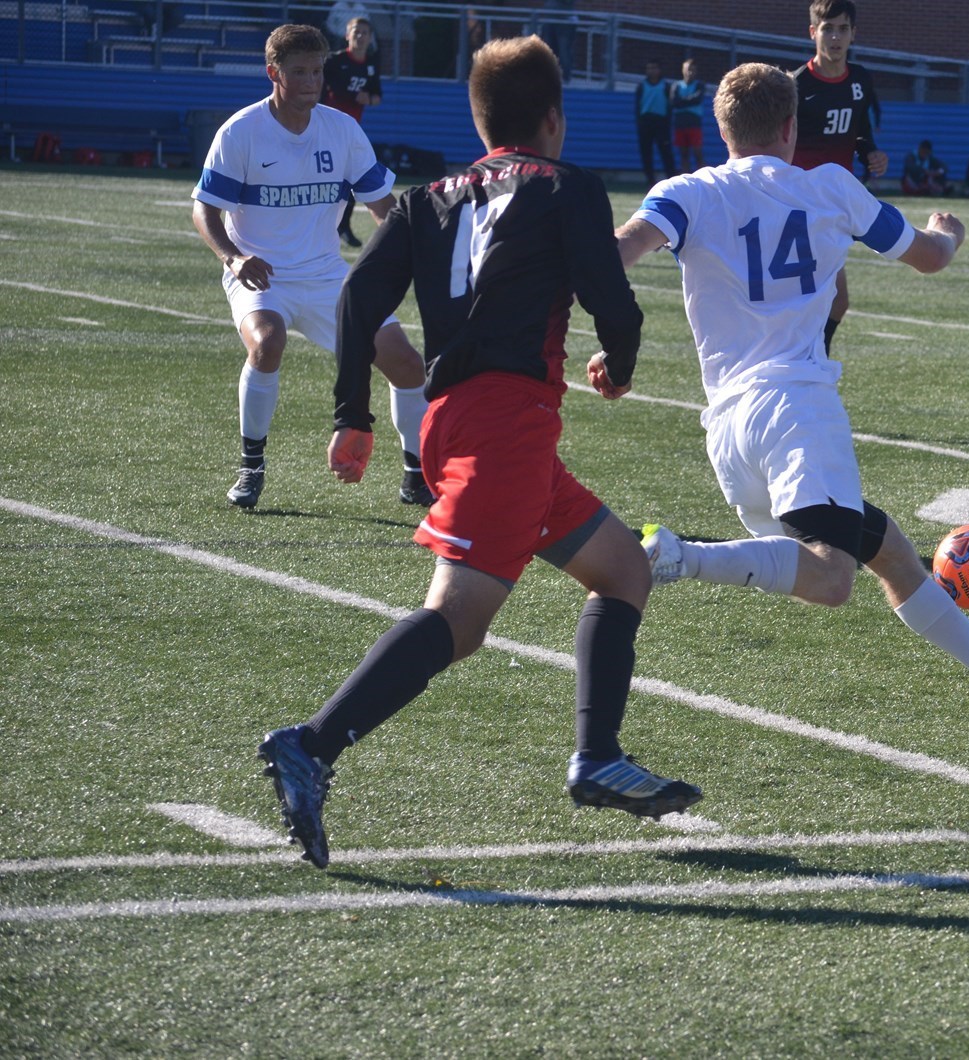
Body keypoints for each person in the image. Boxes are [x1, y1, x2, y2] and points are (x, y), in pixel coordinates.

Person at [257, 33, 700, 870]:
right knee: (458, 622)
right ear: (554, 119)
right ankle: (311, 746)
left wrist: (354, 413)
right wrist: (621, 360)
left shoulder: (430, 198)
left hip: (459, 415)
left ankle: (596, 755)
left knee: (623, 570)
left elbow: (358, 297)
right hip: (507, 426)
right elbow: (614, 298)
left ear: (479, 116)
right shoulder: (565, 186)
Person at [613, 63, 969, 729]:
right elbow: (930, 255)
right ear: (792, 127)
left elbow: (620, 249)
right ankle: (679, 556)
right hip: (796, 408)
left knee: (895, 556)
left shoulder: (688, 191)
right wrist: (951, 229)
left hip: (728, 430)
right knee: (831, 578)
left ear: (721, 127)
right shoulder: (830, 187)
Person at [191, 23, 431, 511]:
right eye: (298, 71)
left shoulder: (342, 129)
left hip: (326, 276)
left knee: (407, 364)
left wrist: (409, 253)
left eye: (317, 70)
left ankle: (415, 475)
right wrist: (234, 258)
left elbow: (382, 206)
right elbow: (205, 209)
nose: (310, 81)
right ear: (273, 73)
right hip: (261, 275)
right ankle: (251, 466)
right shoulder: (241, 131)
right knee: (267, 342)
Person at [791, 0, 886, 357]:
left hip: (836, 203)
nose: (835, 37)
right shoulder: (797, 85)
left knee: (837, 302)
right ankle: (811, 359)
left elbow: (860, 132)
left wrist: (871, 154)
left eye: (842, 29)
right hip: (799, 204)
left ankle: (814, 356)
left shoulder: (860, 79)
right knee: (824, 298)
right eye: (827, 28)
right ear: (813, 32)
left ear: (853, 34)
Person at [323, 16, 382, 248]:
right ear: (347, 35)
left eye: (365, 32)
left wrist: (370, 98)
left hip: (350, 130)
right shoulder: (335, 61)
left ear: (370, 38)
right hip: (325, 126)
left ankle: (343, 225)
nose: (360, 36)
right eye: (356, 32)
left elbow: (378, 95)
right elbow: (322, 88)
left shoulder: (371, 64)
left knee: (347, 177)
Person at [634, 59, 676, 184]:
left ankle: (671, 180)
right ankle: (650, 181)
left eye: (654, 68)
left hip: (661, 122)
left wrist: (667, 123)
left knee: (666, 153)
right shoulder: (641, 86)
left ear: (659, 70)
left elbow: (670, 107)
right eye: (649, 68)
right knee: (646, 154)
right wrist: (639, 122)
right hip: (646, 122)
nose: (651, 71)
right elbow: (638, 106)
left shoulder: (666, 86)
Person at [671, 57, 707, 172]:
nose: (690, 72)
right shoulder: (676, 85)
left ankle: (703, 179)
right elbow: (673, 102)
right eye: (688, 69)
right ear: (683, 70)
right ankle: (686, 179)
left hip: (694, 122)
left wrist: (682, 101)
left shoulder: (699, 85)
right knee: (684, 154)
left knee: (698, 153)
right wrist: (688, 101)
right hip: (680, 123)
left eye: (693, 70)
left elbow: (697, 99)